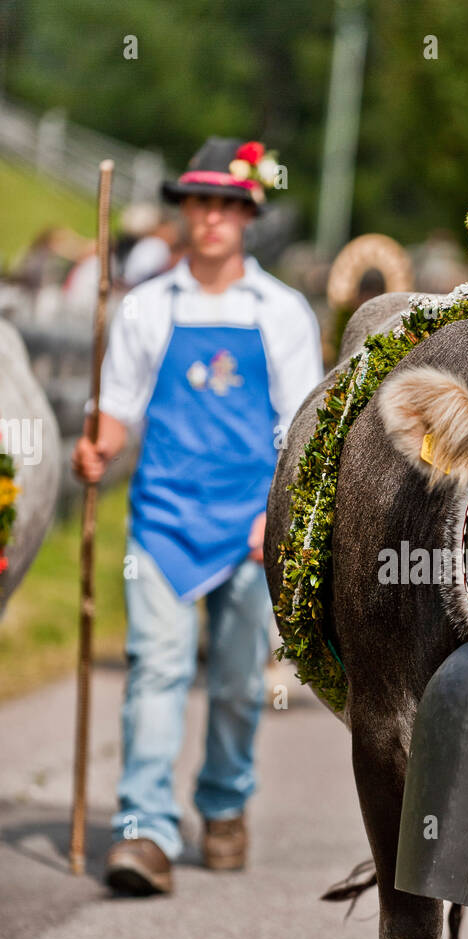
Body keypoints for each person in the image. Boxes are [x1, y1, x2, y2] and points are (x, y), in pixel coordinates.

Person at [72, 137, 323, 895]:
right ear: (184, 212)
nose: (211, 218)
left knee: (240, 682)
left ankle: (222, 806)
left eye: (227, 205)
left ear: (247, 214)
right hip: (164, 519)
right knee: (156, 669)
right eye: (199, 204)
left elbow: (300, 427)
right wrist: (95, 452)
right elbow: (115, 410)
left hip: (250, 525)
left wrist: (272, 519)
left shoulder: (280, 311)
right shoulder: (148, 305)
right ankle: (144, 830)